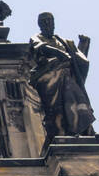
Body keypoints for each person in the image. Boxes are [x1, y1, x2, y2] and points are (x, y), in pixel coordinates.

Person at [29, 12, 95, 140]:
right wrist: (57, 52)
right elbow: (38, 47)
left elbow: (78, 61)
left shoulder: (64, 42)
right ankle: (64, 131)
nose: (47, 24)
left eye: (50, 21)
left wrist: (83, 46)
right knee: (59, 106)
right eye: (44, 22)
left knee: (78, 100)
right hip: (50, 77)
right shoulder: (37, 37)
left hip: (67, 77)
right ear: (40, 25)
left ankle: (84, 130)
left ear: (54, 23)